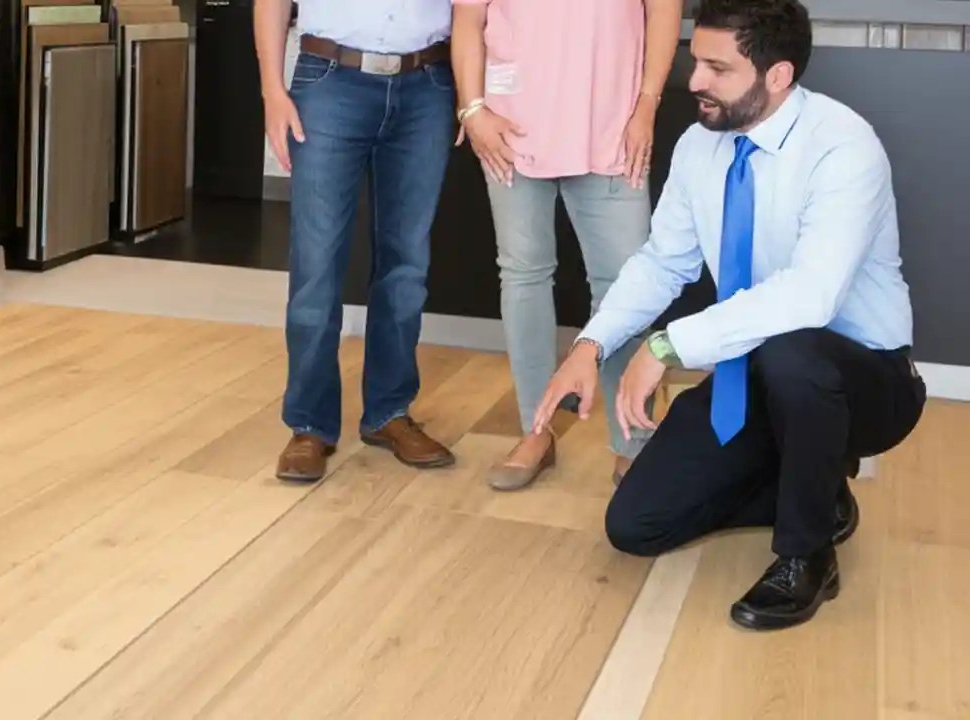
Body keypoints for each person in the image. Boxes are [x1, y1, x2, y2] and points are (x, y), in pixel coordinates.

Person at [533, 0, 926, 631]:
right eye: (696, 62)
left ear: (777, 76)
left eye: (717, 68)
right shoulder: (699, 144)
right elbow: (664, 261)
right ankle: (819, 492)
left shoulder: (843, 146)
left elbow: (811, 295)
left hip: (865, 385)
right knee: (635, 524)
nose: (693, 82)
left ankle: (806, 555)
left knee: (792, 348)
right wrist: (591, 345)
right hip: (762, 380)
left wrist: (665, 348)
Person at [450, 0, 685, 491]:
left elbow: (664, 10)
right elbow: (469, 17)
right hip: (509, 127)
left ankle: (633, 444)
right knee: (523, 277)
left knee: (627, 285)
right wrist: (472, 110)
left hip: (613, 126)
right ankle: (534, 431)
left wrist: (646, 104)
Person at [255, 0, 459, 482]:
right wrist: (271, 90)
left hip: (426, 83)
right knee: (317, 264)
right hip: (330, 78)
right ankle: (309, 425)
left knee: (406, 264)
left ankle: (389, 413)